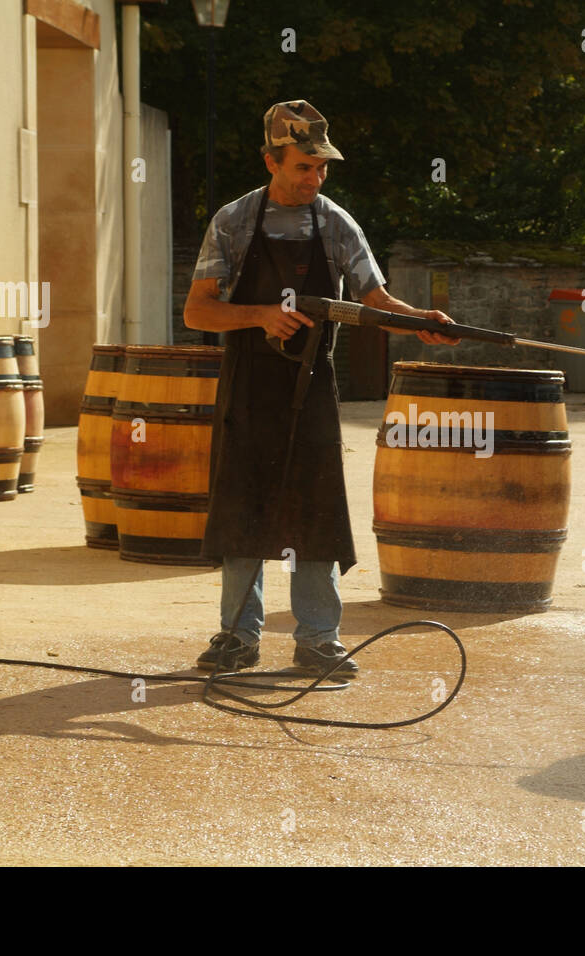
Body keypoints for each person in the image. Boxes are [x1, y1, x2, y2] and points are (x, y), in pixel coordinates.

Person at [183, 99, 458, 677]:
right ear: (271, 161)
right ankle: (236, 637)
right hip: (248, 388)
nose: (315, 178)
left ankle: (317, 641)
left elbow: (375, 300)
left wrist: (420, 322)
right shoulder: (233, 222)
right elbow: (198, 312)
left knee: (316, 512)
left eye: (322, 167)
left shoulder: (335, 223)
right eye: (304, 166)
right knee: (242, 511)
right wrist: (259, 316)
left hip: (312, 389)